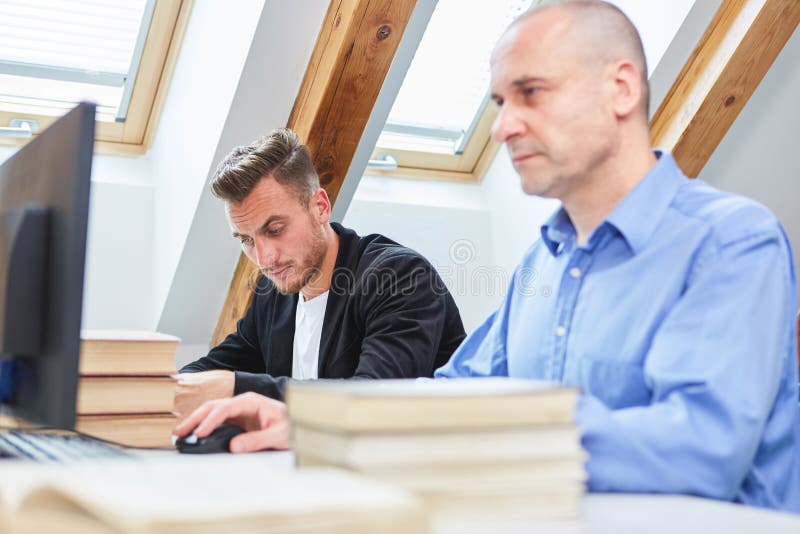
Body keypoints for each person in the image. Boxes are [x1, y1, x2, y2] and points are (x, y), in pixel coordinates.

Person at [173, 0, 800, 512]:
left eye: (531, 92)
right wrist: (311, 424)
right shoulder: (543, 262)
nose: (501, 127)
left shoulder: (730, 243)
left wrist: (492, 432)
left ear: (621, 88)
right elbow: (453, 391)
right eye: (500, 104)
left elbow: (702, 449)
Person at [173, 128, 466, 418]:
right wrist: (168, 388)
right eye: (247, 240)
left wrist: (234, 387)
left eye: (275, 230)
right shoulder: (272, 294)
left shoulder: (400, 277)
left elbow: (375, 399)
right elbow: (217, 368)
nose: (264, 259)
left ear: (320, 207)